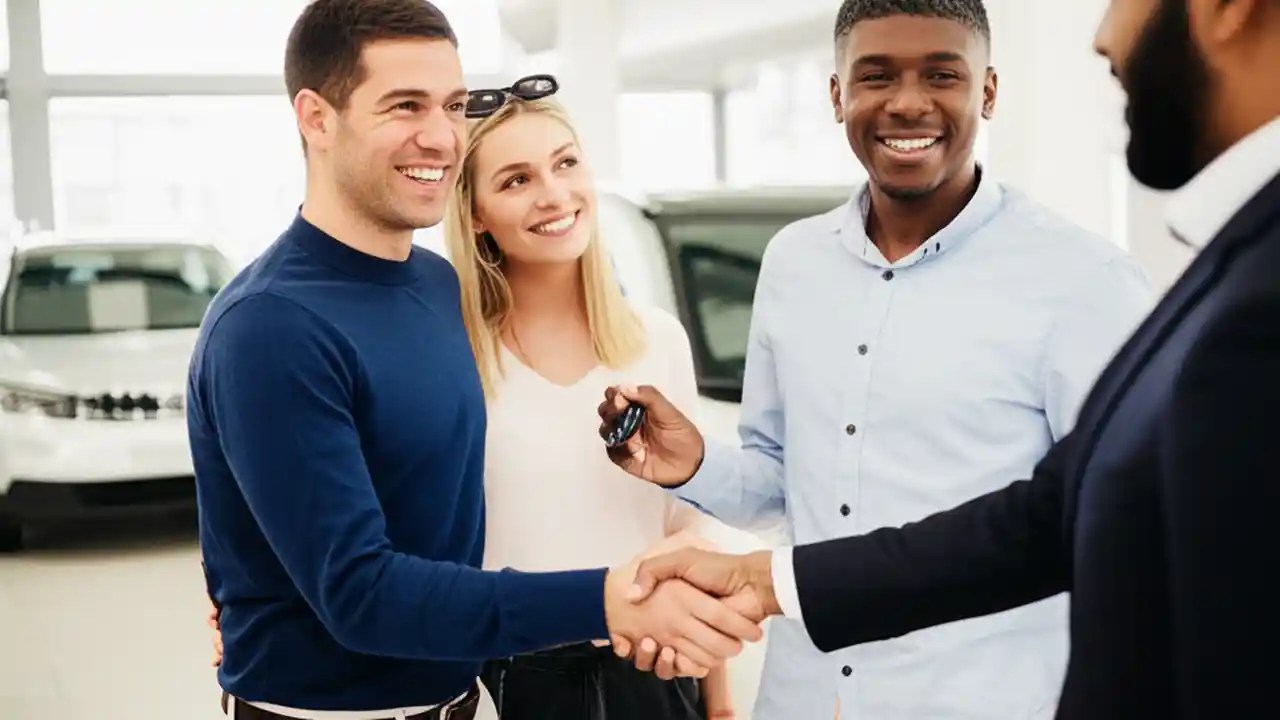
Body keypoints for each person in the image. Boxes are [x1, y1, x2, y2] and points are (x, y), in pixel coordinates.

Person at [608, 0, 1280, 717]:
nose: (907, 102)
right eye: (875, 76)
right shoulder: (792, 264)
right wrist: (699, 470)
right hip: (807, 696)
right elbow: (796, 484)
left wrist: (771, 582)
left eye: (941, 74)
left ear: (987, 92)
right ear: (838, 96)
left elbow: (1090, 523)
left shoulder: (1087, 280)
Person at [188, 1, 761, 718]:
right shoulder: (268, 325)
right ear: (315, 118)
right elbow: (358, 591)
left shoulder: (433, 289)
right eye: (404, 106)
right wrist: (608, 600)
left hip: (460, 699)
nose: (439, 136)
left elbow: (435, 514)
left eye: (452, 105)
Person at [444, 90, 737, 719]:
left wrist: (720, 705)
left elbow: (690, 524)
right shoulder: (451, 357)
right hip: (510, 682)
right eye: (517, 179)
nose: (553, 194)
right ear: (474, 214)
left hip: (653, 674)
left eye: (566, 163)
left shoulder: (656, 339)